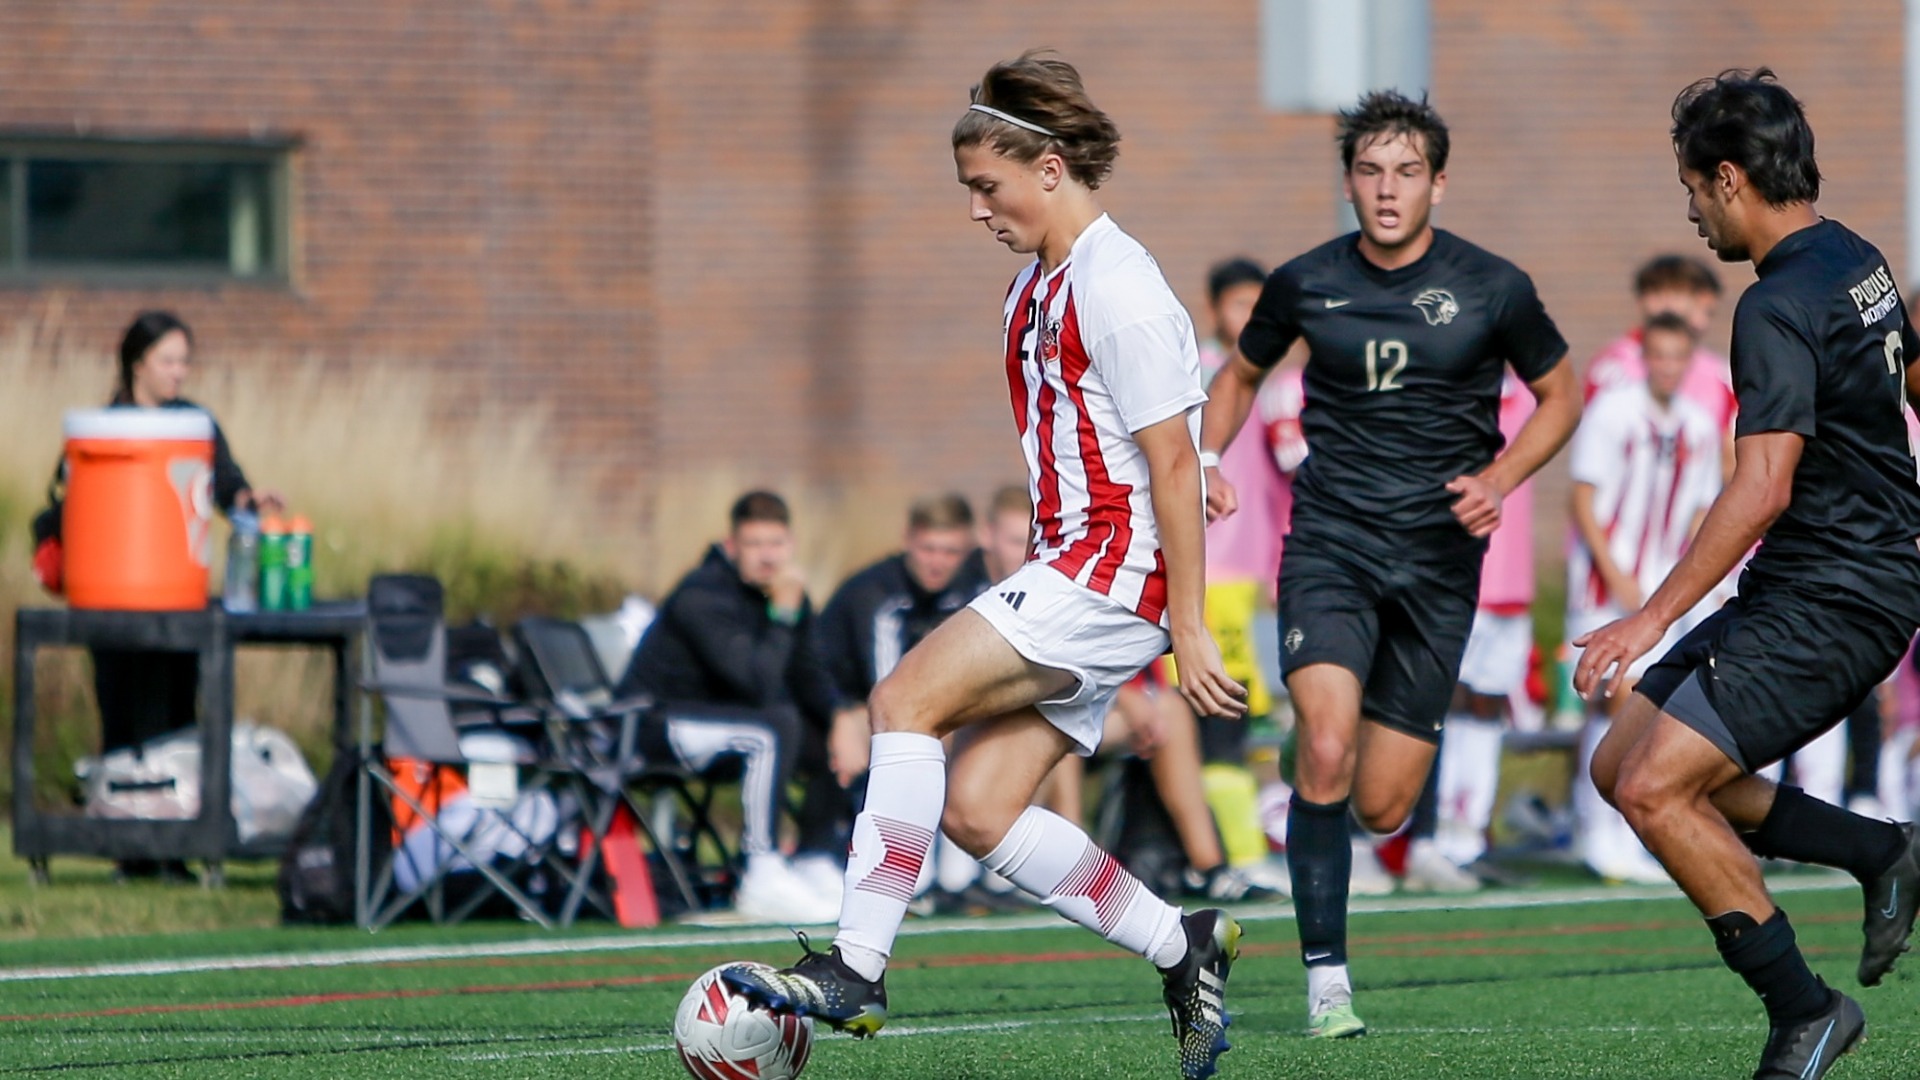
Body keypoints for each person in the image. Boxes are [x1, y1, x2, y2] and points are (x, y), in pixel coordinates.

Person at [726, 52, 1248, 1080]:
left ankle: (857, 969)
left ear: (1050, 168)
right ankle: (1181, 945)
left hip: (1108, 569)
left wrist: (1188, 622)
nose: (977, 208)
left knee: (902, 698)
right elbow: (1165, 433)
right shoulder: (1037, 284)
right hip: (1084, 564)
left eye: (987, 185)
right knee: (976, 810)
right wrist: (1203, 465)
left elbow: (1173, 459)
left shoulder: (1117, 280)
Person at [1202, 89, 1580, 1038]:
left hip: (1440, 564)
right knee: (1330, 750)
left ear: (1438, 183)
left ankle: (1311, 763)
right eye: (1370, 171)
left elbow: (1562, 395)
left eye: (1407, 171)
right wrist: (1208, 458)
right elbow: (1243, 372)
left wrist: (1503, 476)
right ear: (1348, 183)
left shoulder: (1495, 286)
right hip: (1330, 543)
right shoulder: (1303, 282)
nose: (1387, 189)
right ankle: (1327, 980)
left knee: (1380, 804)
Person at [1577, 69, 1920, 1080]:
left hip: (1838, 599)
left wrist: (1647, 617)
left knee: (1652, 790)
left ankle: (1805, 1011)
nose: (1691, 213)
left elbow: (1762, 487)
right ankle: (1877, 850)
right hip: (1821, 584)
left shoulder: (1771, 308)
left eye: (1692, 188)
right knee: (1617, 766)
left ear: (1730, 179)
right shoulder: (1856, 257)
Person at [62, 312, 281, 882]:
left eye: (184, 361)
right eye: (169, 360)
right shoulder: (105, 428)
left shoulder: (195, 424)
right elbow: (67, 501)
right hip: (112, 598)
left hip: (177, 596)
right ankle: (128, 851)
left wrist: (251, 502)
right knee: (123, 720)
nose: (179, 372)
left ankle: (172, 850)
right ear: (138, 363)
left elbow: (227, 487)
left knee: (175, 722)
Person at [617, 491, 843, 925]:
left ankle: (814, 859)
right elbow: (755, 682)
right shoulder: (701, 595)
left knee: (822, 732)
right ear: (732, 545)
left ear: (791, 545)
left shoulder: (782, 592)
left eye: (775, 544)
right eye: (755, 545)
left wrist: (841, 716)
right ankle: (762, 873)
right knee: (772, 729)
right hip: (650, 726)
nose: (767, 557)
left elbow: (810, 675)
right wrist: (783, 613)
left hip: (718, 725)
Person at [1566, 313, 1723, 886]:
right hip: (1608, 586)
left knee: (1644, 703)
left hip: (1662, 593)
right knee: (1610, 695)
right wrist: (1616, 574)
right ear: (1644, 357)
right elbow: (1582, 500)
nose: (1667, 367)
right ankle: (1597, 832)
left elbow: (1705, 510)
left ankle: (1616, 830)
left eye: (1677, 357)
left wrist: (1684, 581)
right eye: (1657, 355)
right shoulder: (1613, 411)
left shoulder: (1699, 423)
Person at [812, 493, 1006, 914]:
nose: (938, 562)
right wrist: (841, 715)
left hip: (923, 714)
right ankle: (913, 867)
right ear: (907, 541)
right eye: (928, 549)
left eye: (951, 551)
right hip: (844, 711)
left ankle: (965, 869)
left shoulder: (977, 592)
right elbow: (885, 692)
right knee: (923, 723)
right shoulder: (874, 593)